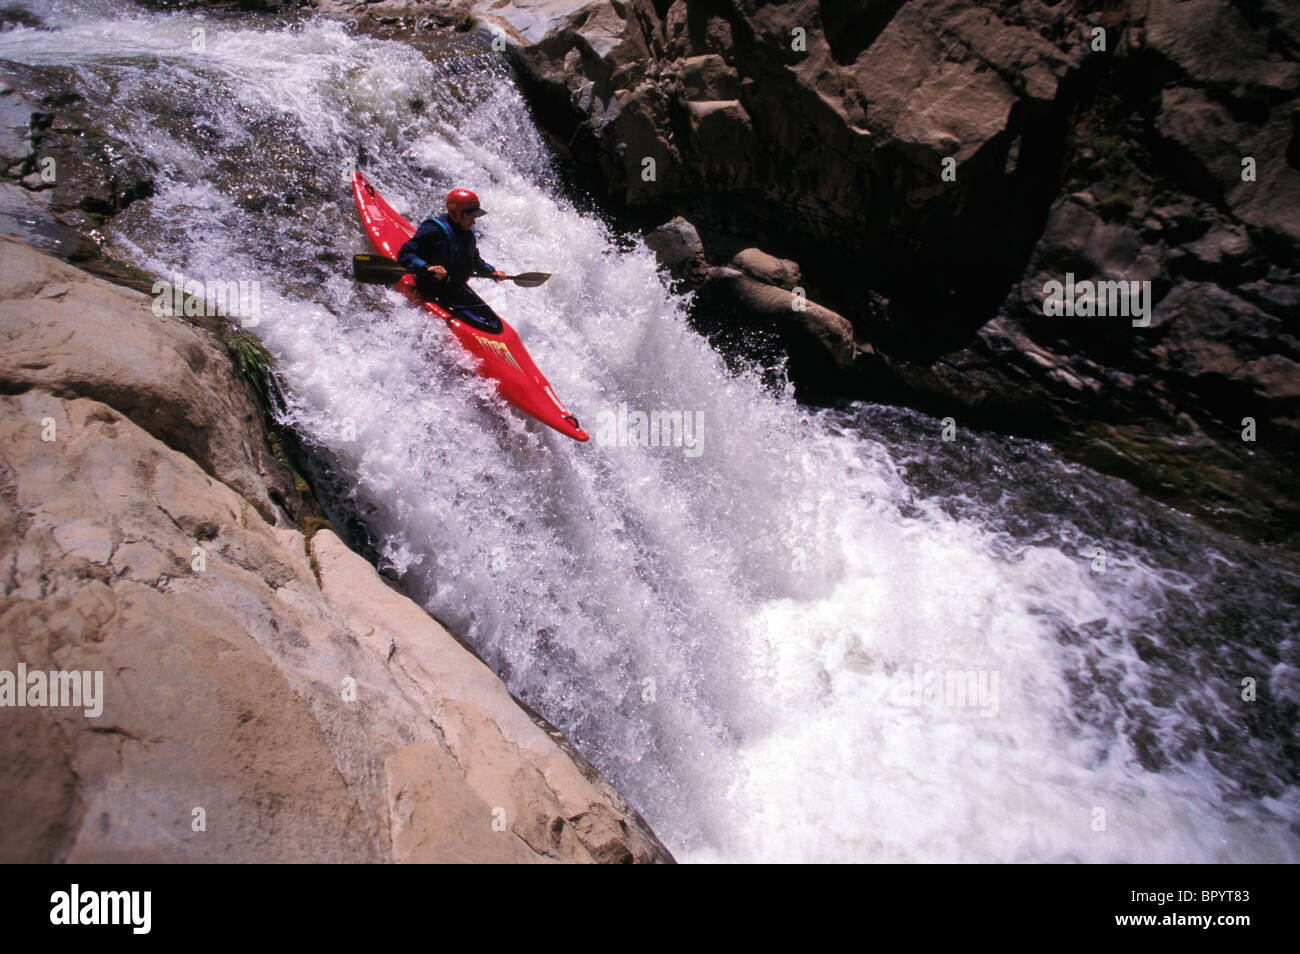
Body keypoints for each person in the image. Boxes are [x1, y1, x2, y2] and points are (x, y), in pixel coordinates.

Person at [398, 188, 507, 300]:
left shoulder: (468, 234)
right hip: (428, 288)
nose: (474, 222)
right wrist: (427, 268)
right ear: (457, 213)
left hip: (454, 289)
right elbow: (404, 254)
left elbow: (474, 259)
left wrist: (491, 272)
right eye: (471, 217)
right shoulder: (433, 229)